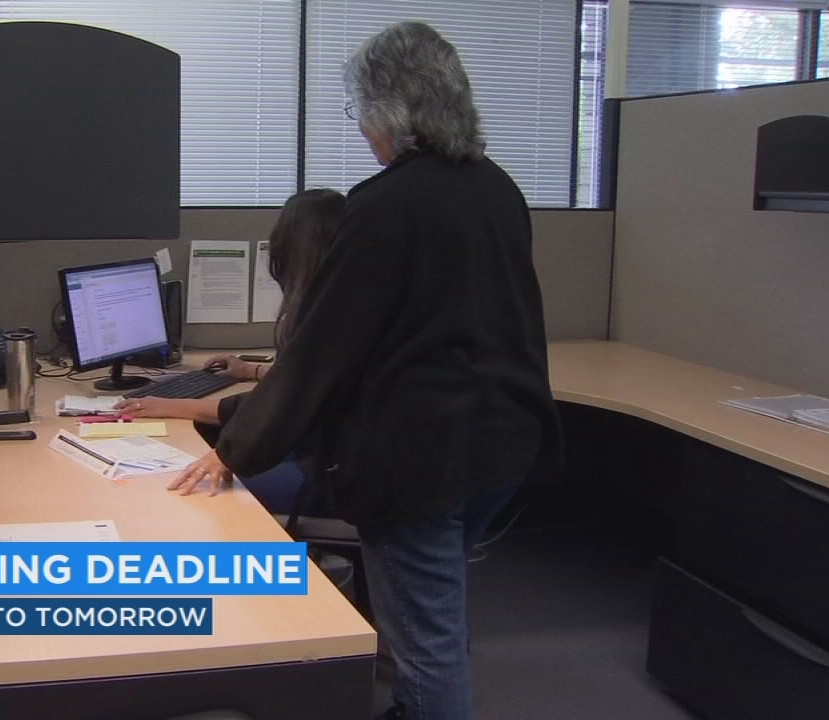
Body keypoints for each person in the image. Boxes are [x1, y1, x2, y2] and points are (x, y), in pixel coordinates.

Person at [167, 21, 562, 720]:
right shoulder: (498, 190)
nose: (361, 130)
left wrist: (236, 449)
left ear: (391, 113)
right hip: (504, 445)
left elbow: (323, 353)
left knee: (429, 646)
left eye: (360, 113)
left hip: (422, 461)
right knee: (436, 609)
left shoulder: (383, 206)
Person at [114, 188, 346, 516]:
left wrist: (174, 407)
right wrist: (252, 371)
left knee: (186, 490)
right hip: (327, 454)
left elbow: (282, 402)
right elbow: (305, 384)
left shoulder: (327, 320)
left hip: (330, 476)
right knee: (197, 466)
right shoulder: (343, 309)